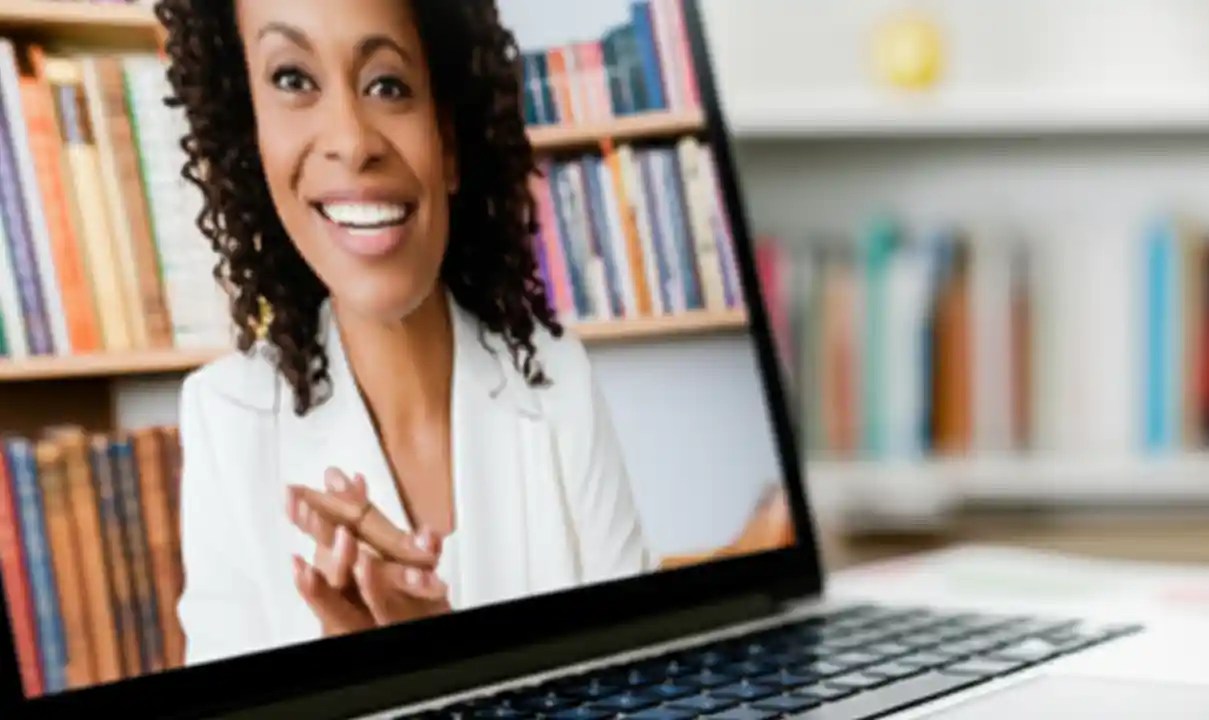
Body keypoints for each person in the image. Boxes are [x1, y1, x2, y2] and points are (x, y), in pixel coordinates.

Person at [158, 0, 791, 669]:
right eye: (293, 80)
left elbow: (637, 683)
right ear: (251, 144)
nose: (352, 140)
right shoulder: (226, 418)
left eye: (387, 85)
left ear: (449, 146)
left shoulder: (557, 380)